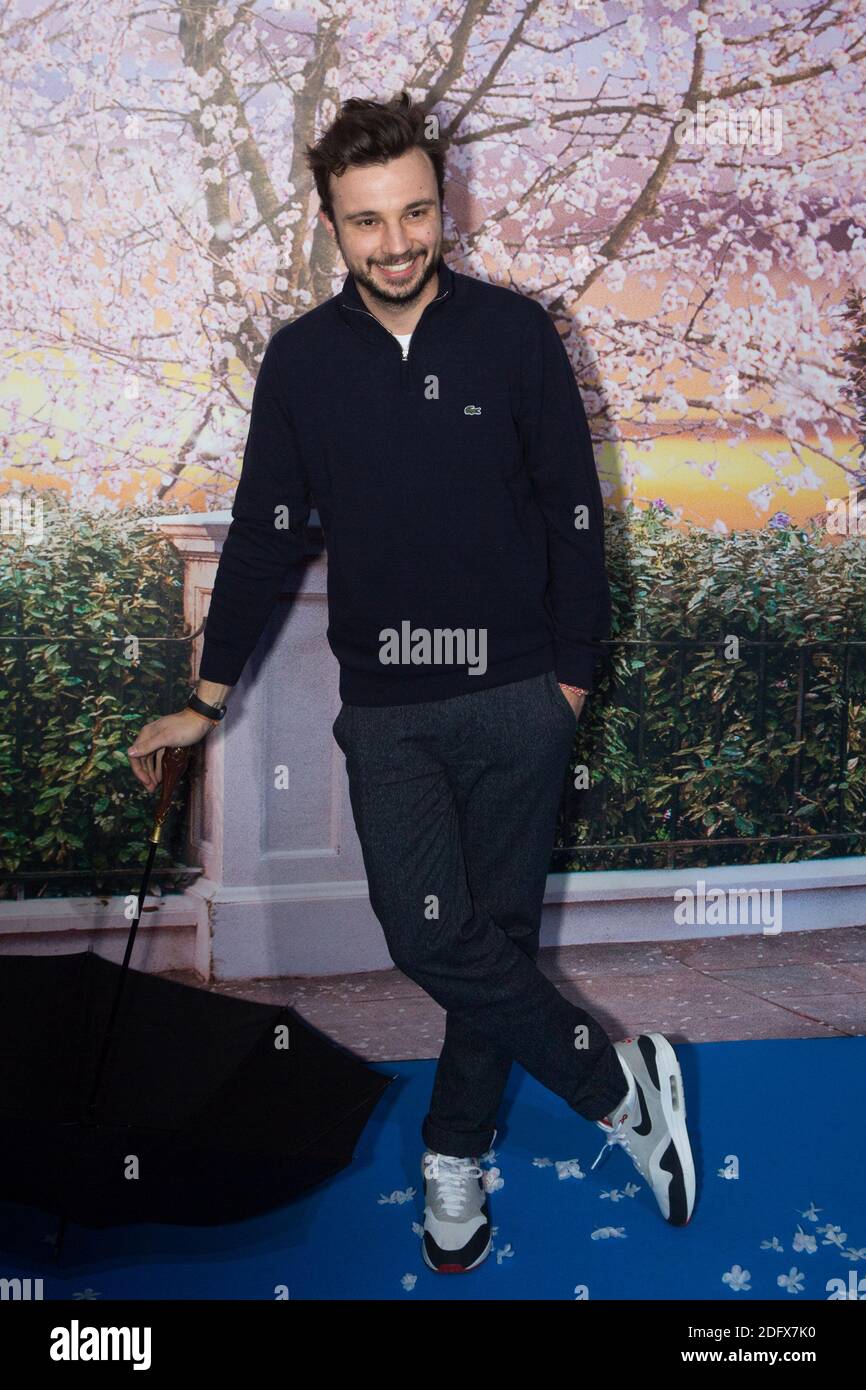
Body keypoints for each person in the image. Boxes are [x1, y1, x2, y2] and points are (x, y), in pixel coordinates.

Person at [127, 91, 695, 1273]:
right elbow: (267, 535)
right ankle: (617, 1087)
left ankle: (453, 1152)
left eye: (415, 212)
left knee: (485, 933)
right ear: (331, 225)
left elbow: (573, 519)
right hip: (386, 712)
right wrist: (210, 695)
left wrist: (570, 686)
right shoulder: (301, 364)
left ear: (445, 205)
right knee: (428, 929)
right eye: (366, 220)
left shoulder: (515, 336)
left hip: (521, 700)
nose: (395, 242)